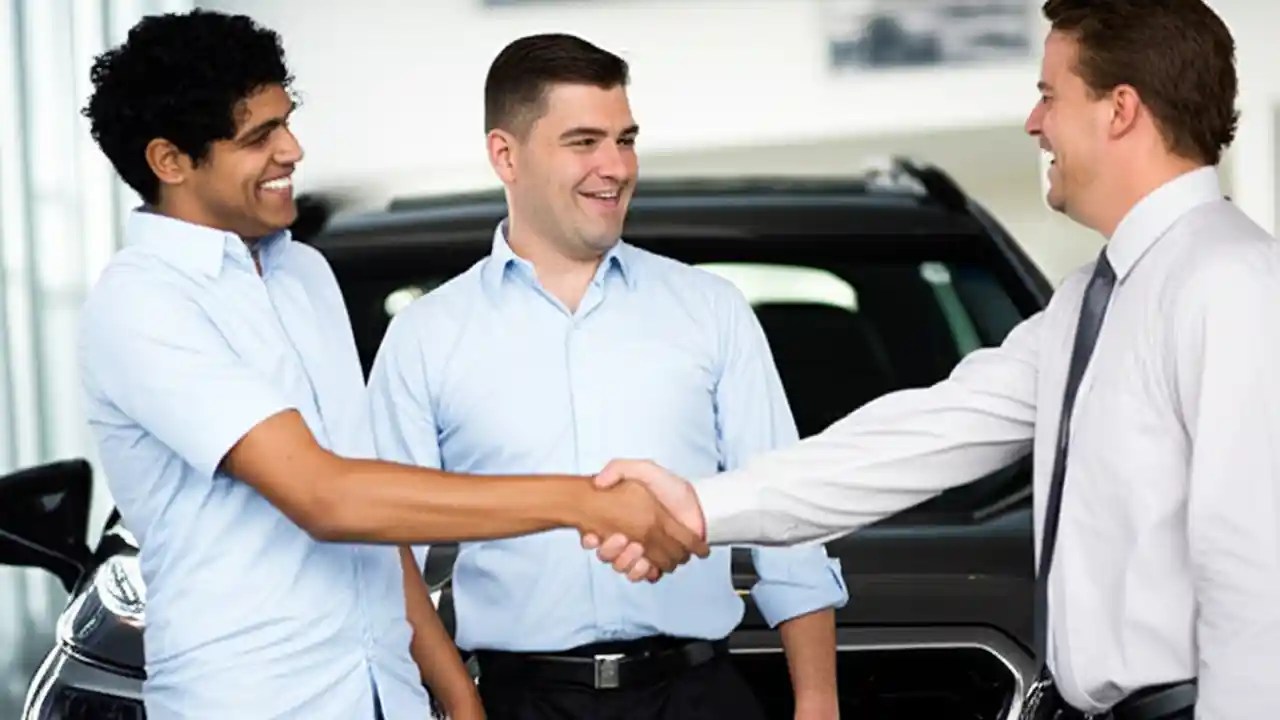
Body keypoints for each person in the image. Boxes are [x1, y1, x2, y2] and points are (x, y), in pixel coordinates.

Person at [589, 1, 1280, 718]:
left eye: (1050, 95)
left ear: (1120, 110)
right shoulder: (1092, 300)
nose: (1033, 123)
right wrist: (698, 505)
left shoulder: (1233, 283)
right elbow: (925, 435)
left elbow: (1259, 577)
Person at [78, 11, 703, 720]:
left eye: (287, 122)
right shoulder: (141, 304)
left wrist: (458, 696)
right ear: (171, 162)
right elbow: (329, 498)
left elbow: (376, 508)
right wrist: (584, 500)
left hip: (384, 698)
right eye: (260, 137)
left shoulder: (303, 276)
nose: (292, 150)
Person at [367, 33, 848, 720]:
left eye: (626, 139)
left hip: (698, 696)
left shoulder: (709, 310)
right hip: (518, 703)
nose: (615, 167)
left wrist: (819, 705)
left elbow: (789, 517)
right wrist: (462, 706)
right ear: (506, 154)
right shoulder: (426, 337)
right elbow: (386, 549)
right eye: (584, 142)